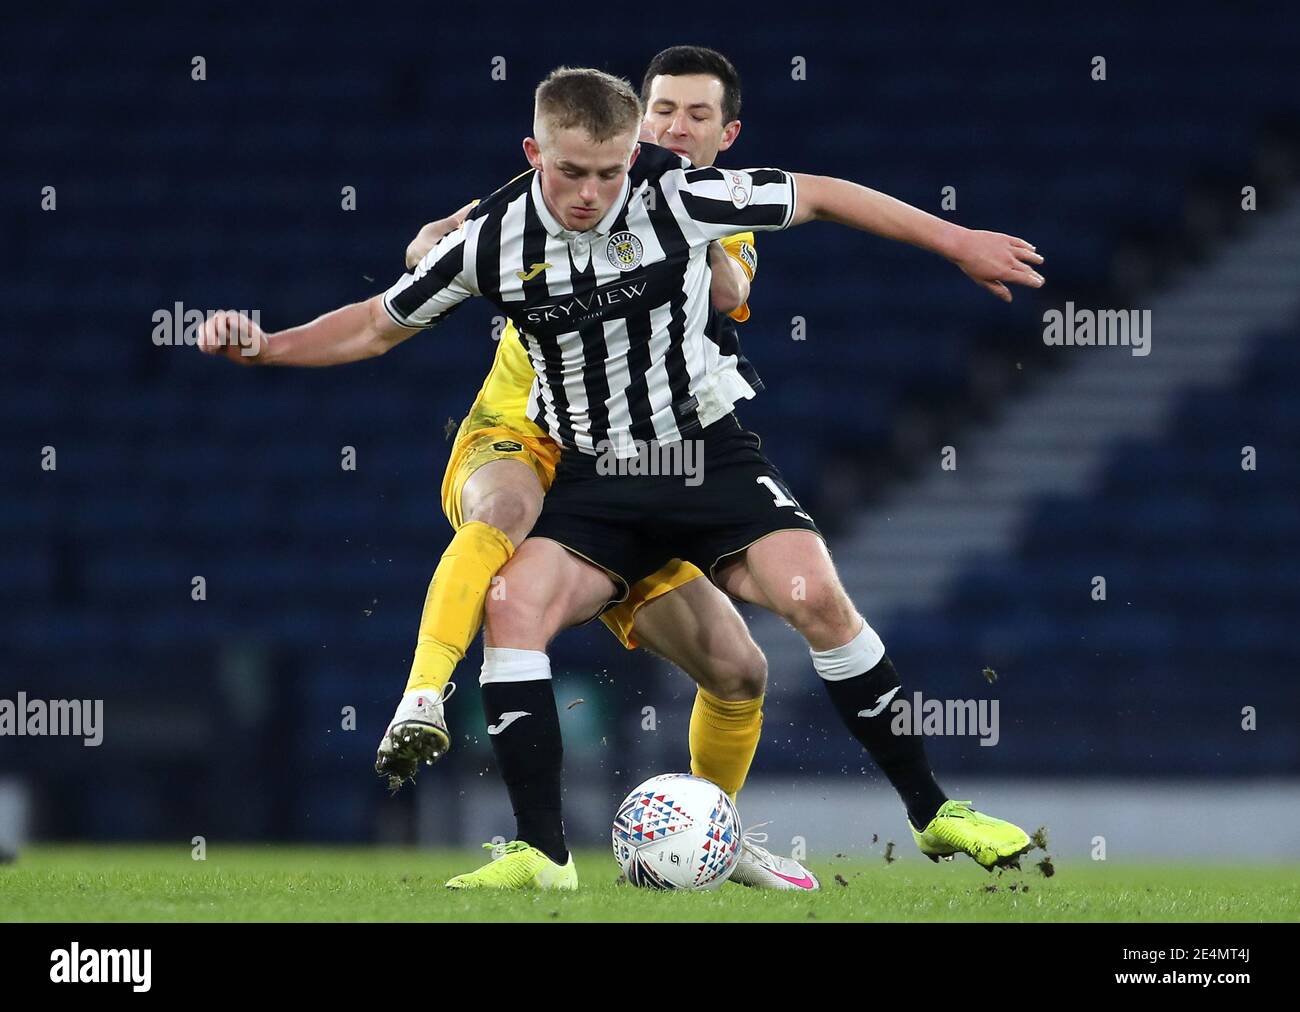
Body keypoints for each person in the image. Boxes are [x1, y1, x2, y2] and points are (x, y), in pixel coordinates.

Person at [200, 64, 1045, 891]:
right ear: (533, 154)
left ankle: (931, 812)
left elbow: (820, 193)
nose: (590, 193)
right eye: (571, 172)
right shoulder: (490, 240)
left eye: (610, 172)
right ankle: (542, 854)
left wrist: (957, 241)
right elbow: (376, 325)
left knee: (808, 603)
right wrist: (269, 344)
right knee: (512, 604)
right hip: (588, 479)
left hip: (704, 454)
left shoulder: (677, 196)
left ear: (631, 155)